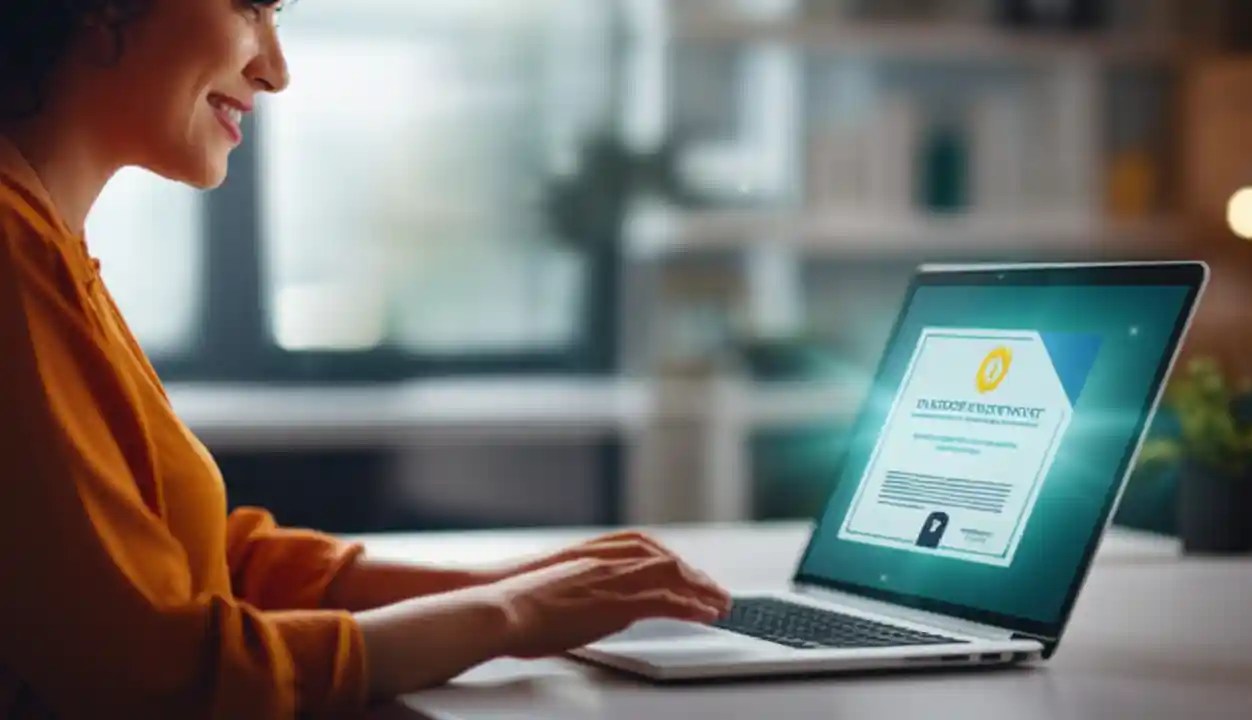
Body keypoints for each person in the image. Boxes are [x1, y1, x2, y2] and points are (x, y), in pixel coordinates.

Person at [0, 1, 732, 717]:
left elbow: (195, 559)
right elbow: (160, 672)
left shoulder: (45, 243)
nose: (276, 71)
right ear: (102, 13)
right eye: (251, 8)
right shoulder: (11, 253)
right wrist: (509, 614)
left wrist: (519, 581)